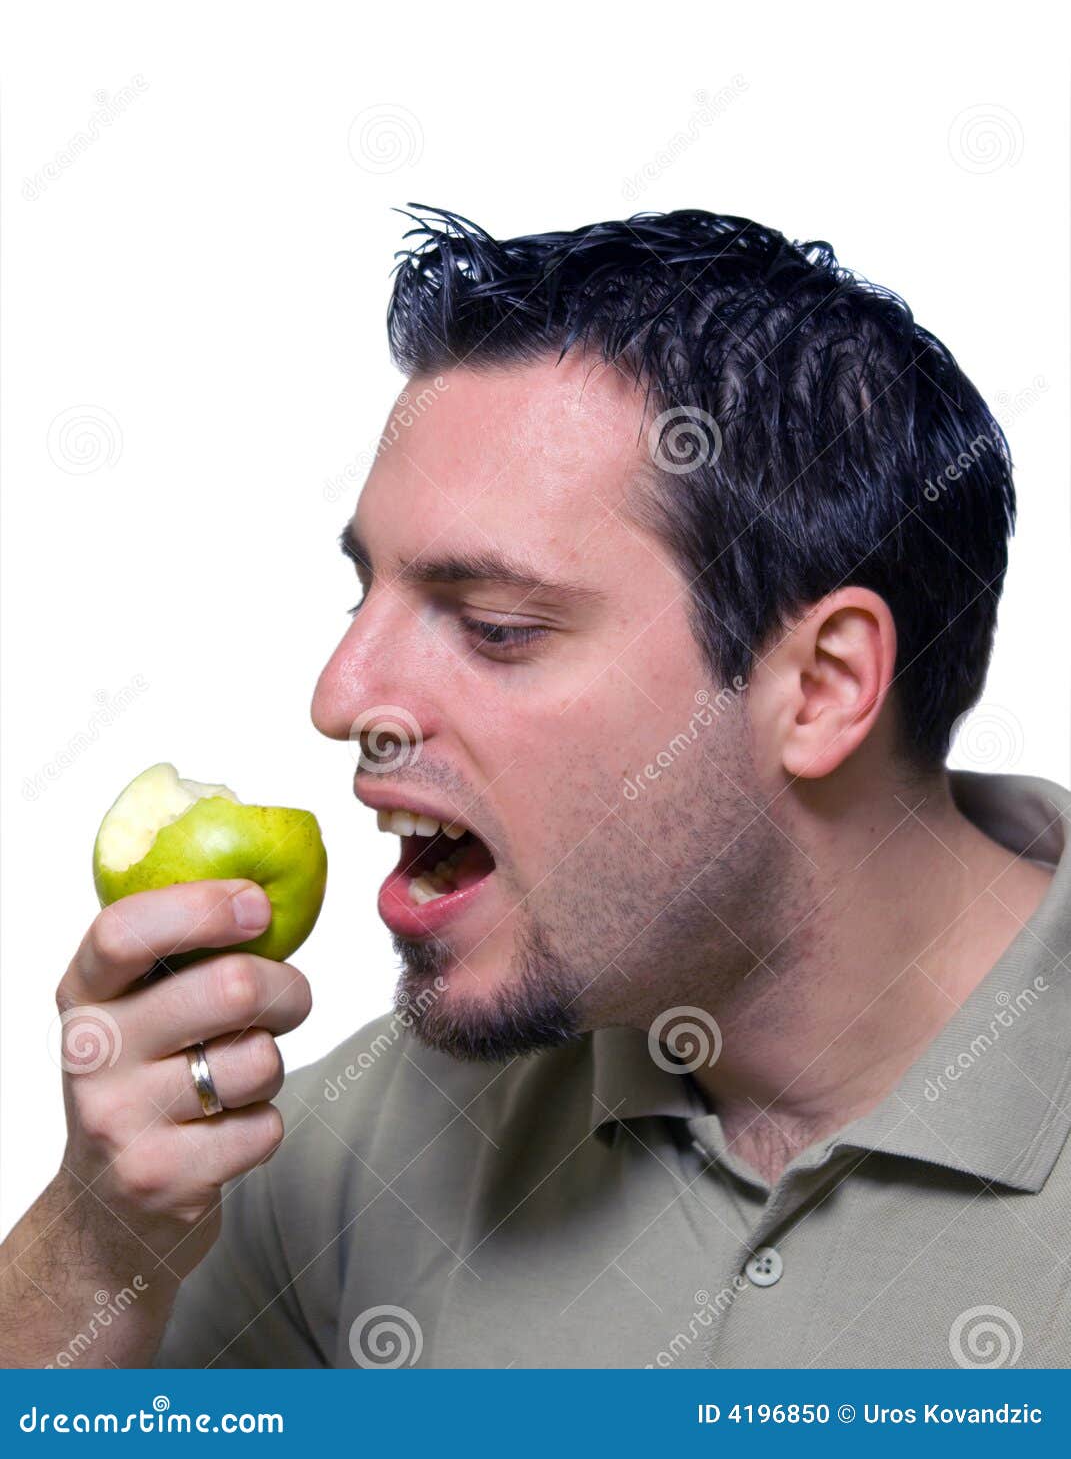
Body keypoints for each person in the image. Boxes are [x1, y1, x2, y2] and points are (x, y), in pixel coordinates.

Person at [2, 207, 1067, 1370]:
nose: (343, 693)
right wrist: (103, 1244)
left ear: (818, 685)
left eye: (497, 625)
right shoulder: (351, 1152)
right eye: (365, 595)